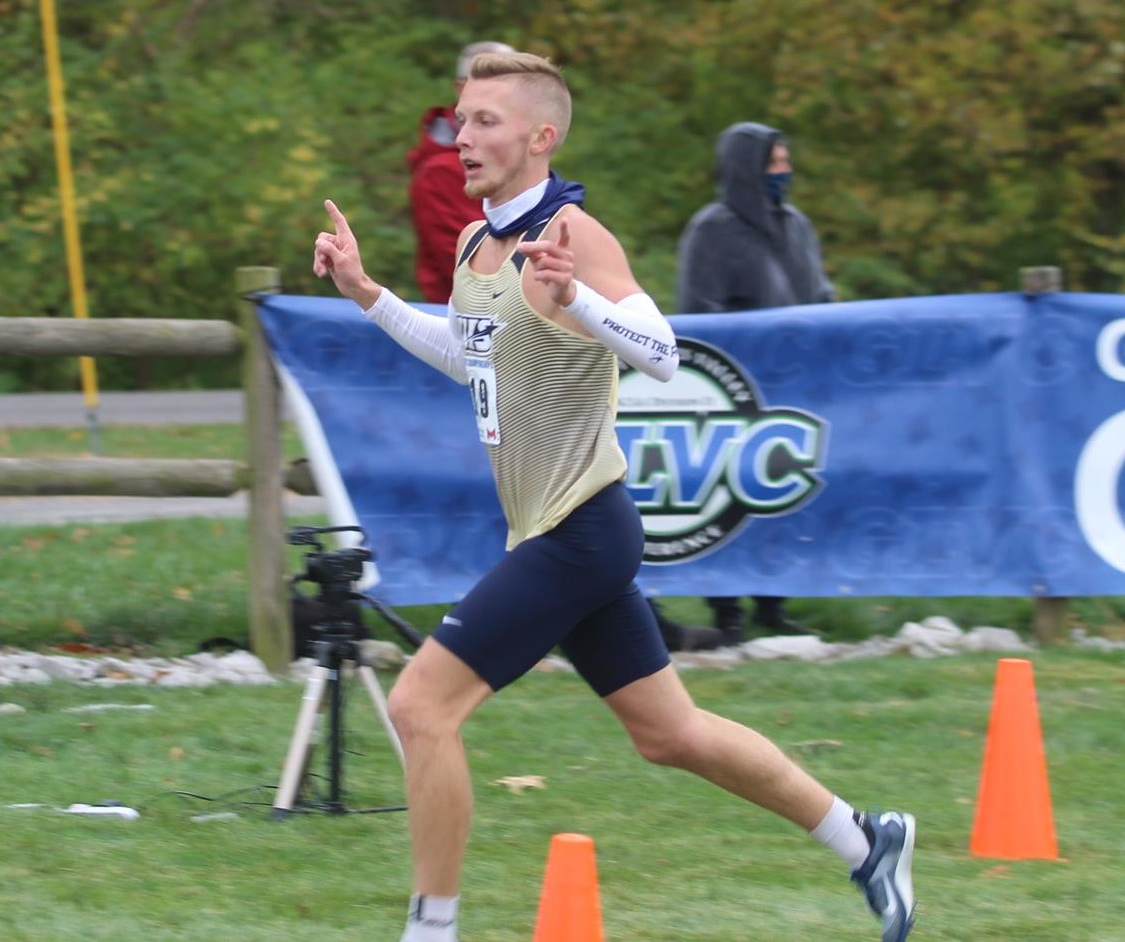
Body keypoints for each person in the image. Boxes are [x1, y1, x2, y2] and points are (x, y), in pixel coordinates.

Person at [311, 53, 914, 942]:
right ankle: (864, 839)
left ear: (538, 138)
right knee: (669, 734)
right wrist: (369, 296)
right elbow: (471, 356)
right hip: (549, 532)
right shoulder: (480, 244)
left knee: (417, 708)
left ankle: (429, 931)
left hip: (581, 532)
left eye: (484, 121)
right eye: (460, 119)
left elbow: (662, 353)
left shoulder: (573, 235)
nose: (461, 138)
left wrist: (580, 299)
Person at [675, 121, 832, 645]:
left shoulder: (798, 226)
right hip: (735, 387)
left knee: (783, 490)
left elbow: (819, 296)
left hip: (794, 385)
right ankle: (726, 610)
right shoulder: (712, 230)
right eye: (776, 164)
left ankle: (773, 603)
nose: (785, 173)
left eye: (786, 163)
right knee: (731, 496)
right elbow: (700, 310)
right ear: (750, 168)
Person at [407, 40, 514, 303]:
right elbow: (469, 270)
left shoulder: (517, 155)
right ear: (462, 88)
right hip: (468, 324)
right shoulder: (441, 171)